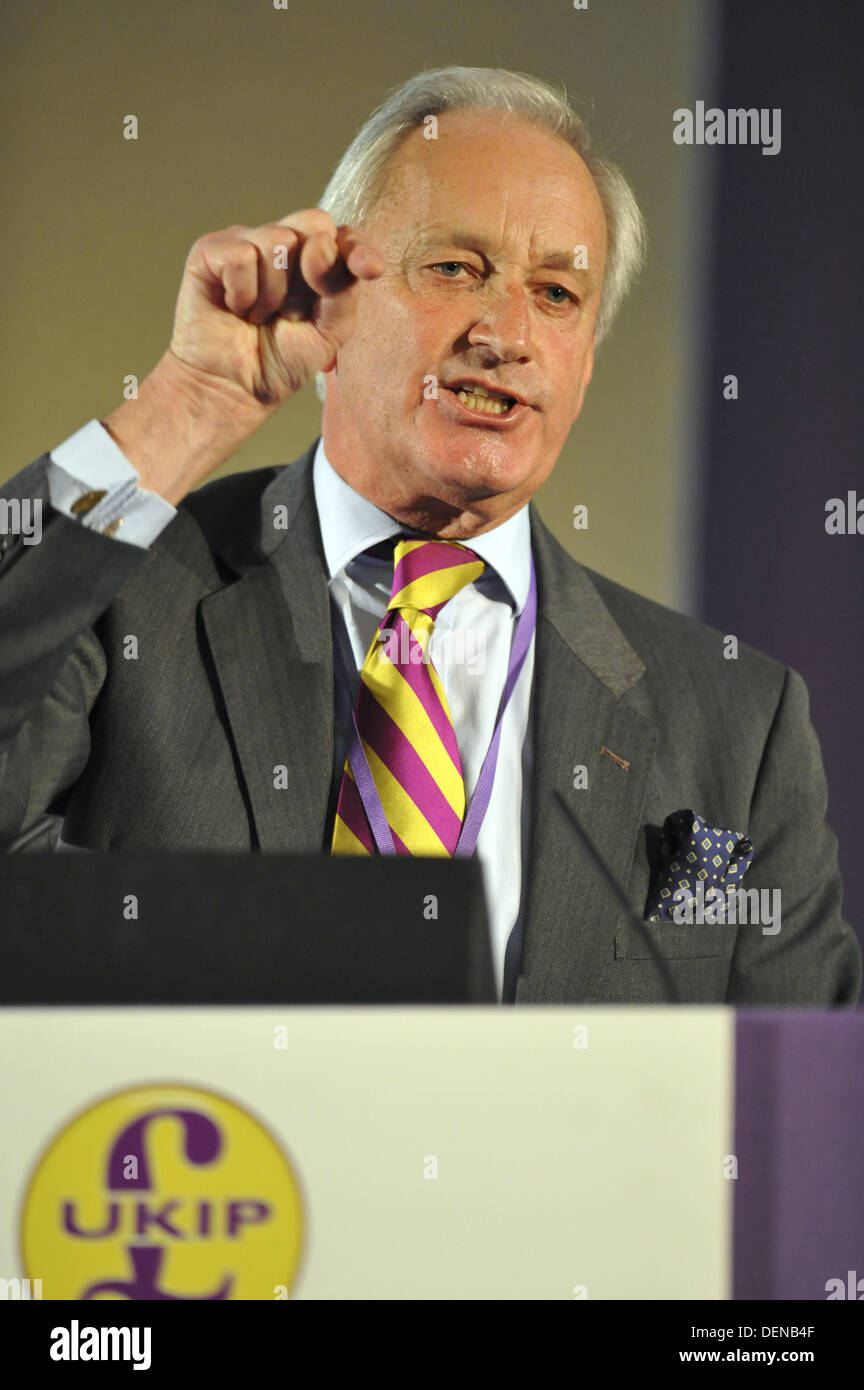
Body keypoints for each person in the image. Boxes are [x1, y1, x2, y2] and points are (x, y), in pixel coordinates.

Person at [0, 67, 858, 1005]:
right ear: (329, 299)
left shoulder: (739, 722)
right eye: (455, 269)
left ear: (585, 366)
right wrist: (187, 406)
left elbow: (801, 1074)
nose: (507, 333)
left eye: (557, 294)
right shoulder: (121, 594)